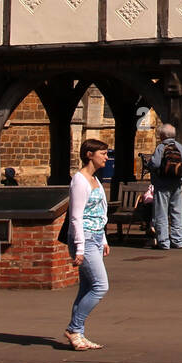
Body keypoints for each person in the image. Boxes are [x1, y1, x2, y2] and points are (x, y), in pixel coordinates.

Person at [65, 138, 110, 350]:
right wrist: (80, 249)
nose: (107, 157)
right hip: (85, 239)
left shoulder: (95, 179)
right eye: (103, 153)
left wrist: (105, 239)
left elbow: (99, 211)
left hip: (96, 237)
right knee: (101, 286)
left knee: (86, 288)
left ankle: (79, 335)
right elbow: (76, 217)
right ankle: (74, 328)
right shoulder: (80, 180)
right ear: (90, 154)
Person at [145, 123, 182, 251]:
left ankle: (164, 242)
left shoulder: (161, 147)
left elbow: (156, 163)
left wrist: (150, 165)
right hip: (176, 184)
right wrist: (181, 179)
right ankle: (178, 240)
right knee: (176, 212)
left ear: (163, 135)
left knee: (161, 214)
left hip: (162, 184)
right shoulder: (180, 147)